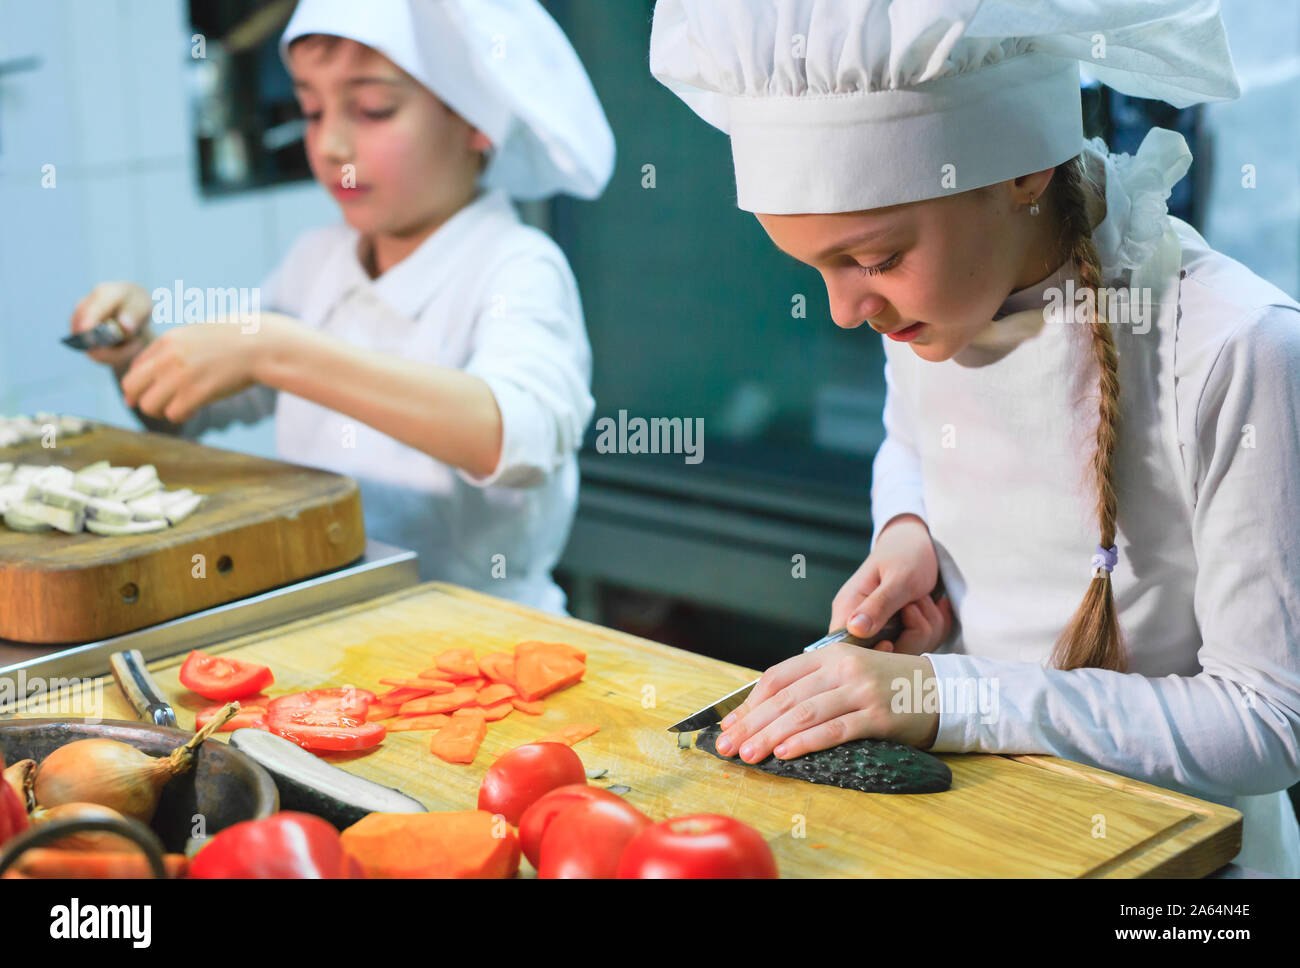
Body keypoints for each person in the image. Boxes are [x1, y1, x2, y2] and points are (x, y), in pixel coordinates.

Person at [650, 0, 1300, 875]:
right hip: (978, 836)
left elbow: (1267, 724)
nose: (847, 312)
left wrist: (941, 695)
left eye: (872, 259)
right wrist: (908, 531)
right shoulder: (937, 303)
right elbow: (910, 445)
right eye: (817, 270)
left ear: (1024, 170)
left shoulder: (1237, 349)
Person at [69, 0, 614, 614]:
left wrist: (276, 350)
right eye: (309, 108)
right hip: (329, 630)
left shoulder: (516, 265)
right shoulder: (316, 261)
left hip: (490, 640)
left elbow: (516, 437)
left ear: (475, 122)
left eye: (372, 109)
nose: (330, 144)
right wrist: (137, 355)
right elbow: (186, 418)